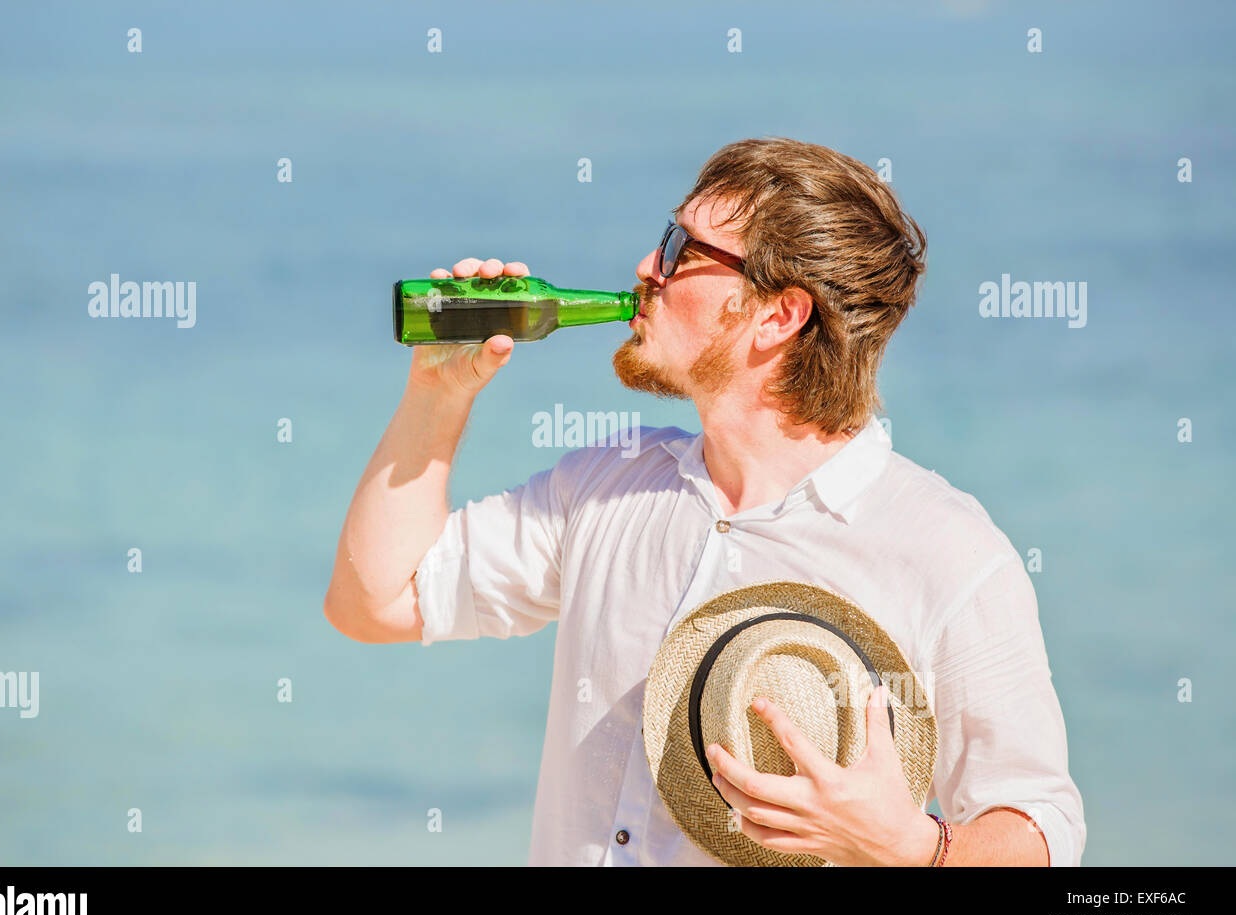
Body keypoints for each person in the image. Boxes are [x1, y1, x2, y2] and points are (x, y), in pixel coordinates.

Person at [323, 137, 1086, 867]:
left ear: (778, 315)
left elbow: (1040, 832)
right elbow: (375, 602)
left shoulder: (942, 550)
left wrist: (913, 847)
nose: (645, 269)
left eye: (681, 250)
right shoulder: (609, 484)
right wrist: (439, 390)